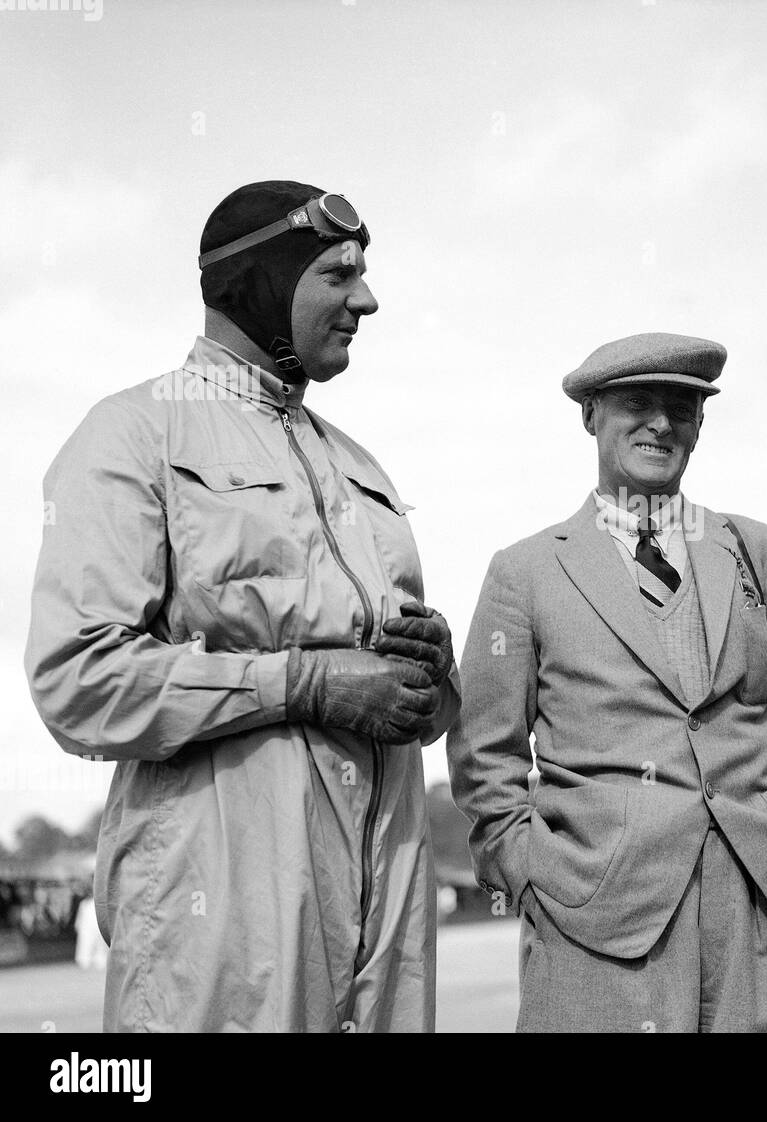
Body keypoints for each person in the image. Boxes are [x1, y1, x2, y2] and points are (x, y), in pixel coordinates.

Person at [25, 180, 460, 1032]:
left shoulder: (363, 468)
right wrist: (301, 684)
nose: (366, 299)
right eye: (339, 274)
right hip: (222, 936)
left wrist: (433, 676)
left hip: (390, 936)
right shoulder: (135, 433)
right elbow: (77, 680)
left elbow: (423, 712)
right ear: (261, 281)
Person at [447, 333, 767, 1032]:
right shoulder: (526, 572)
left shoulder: (758, 550)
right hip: (597, 926)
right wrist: (532, 874)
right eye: (638, 403)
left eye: (682, 408)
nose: (661, 423)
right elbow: (485, 752)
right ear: (590, 414)